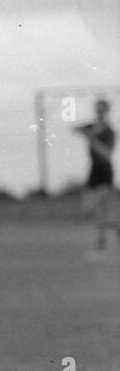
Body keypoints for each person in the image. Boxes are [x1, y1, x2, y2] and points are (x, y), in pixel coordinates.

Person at [74, 98, 117, 255]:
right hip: (93, 172)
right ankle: (116, 227)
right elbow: (75, 129)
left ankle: (101, 242)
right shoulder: (92, 127)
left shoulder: (109, 131)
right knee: (89, 209)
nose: (99, 112)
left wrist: (92, 138)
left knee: (101, 209)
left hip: (105, 171)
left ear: (106, 111)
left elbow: (107, 153)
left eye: (102, 109)